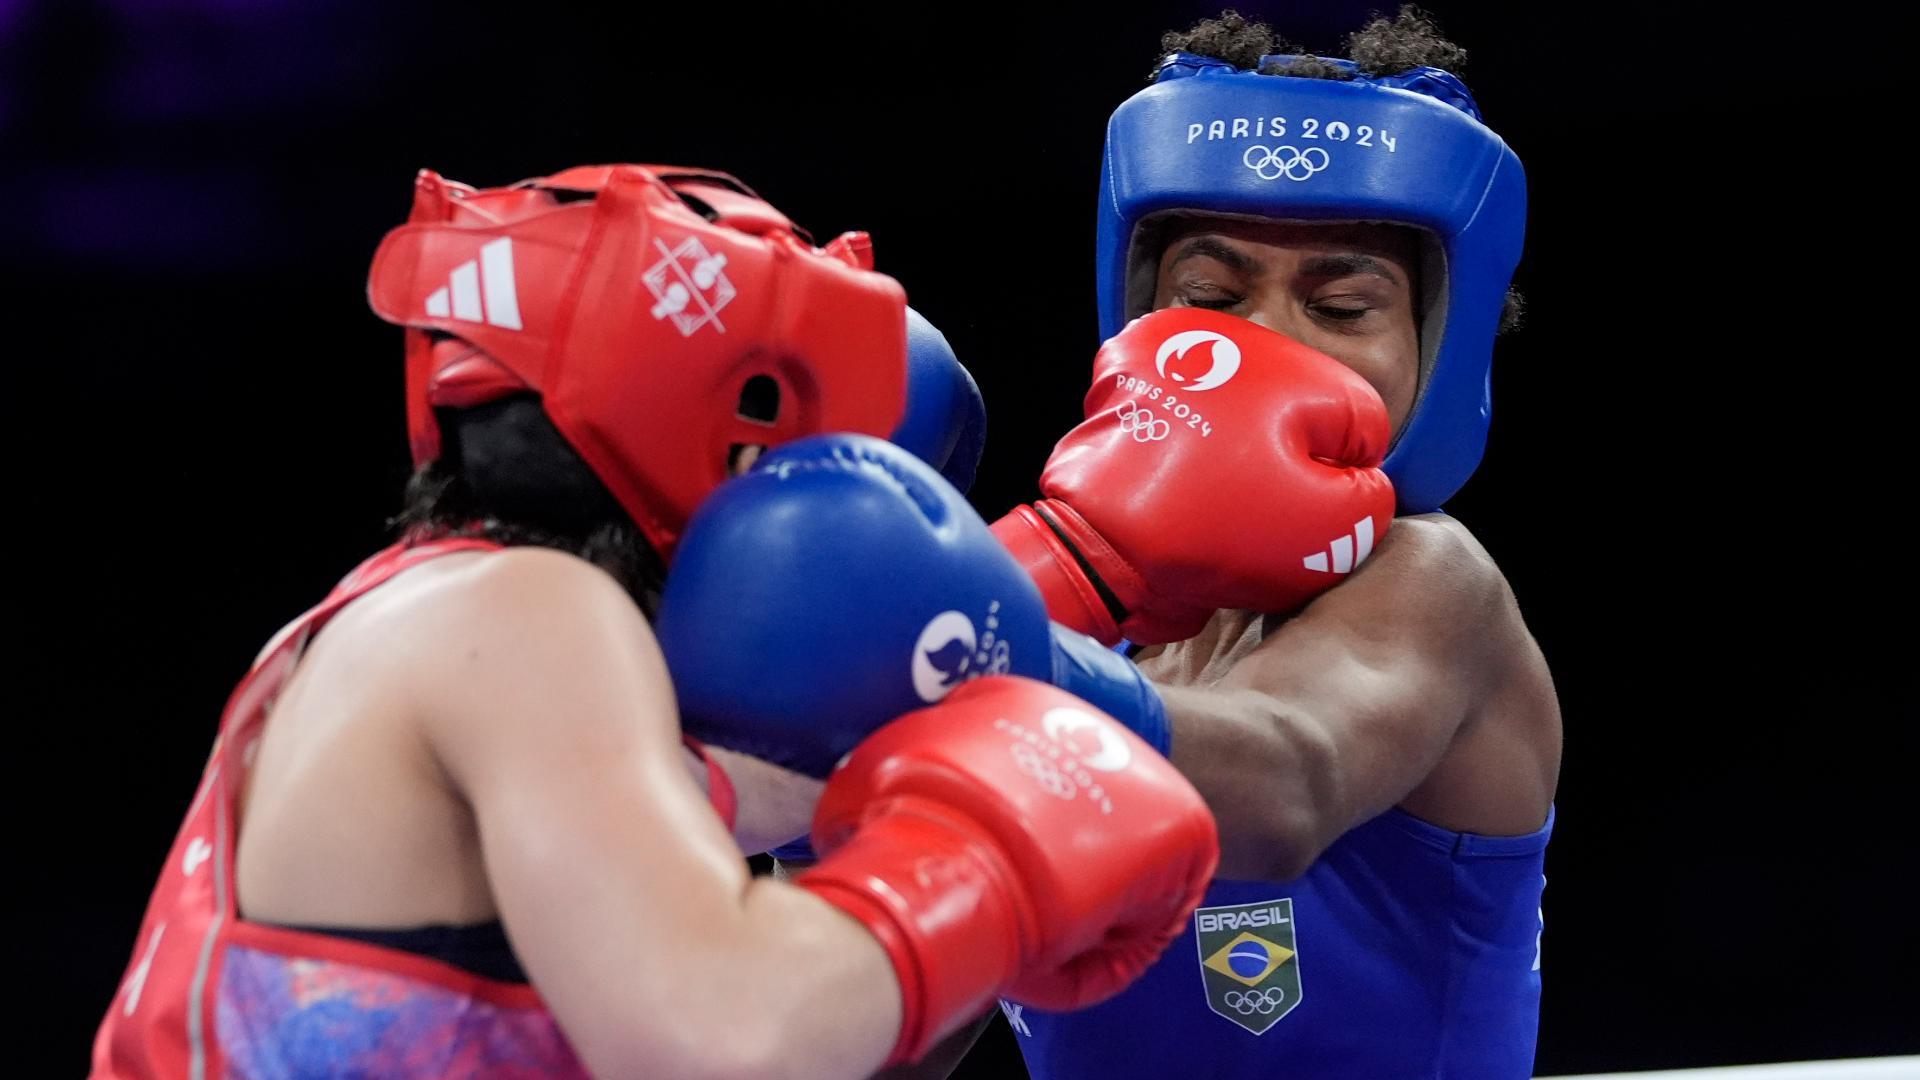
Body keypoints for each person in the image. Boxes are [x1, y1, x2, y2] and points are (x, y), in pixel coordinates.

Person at [86, 163, 1220, 1079]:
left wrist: (1045, 629)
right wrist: (986, 861)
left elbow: (771, 783)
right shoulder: (529, 614)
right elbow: (729, 1033)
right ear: (732, 438)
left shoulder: (437, 616)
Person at [974, 8, 1562, 1077]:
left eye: (1340, 306)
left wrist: (929, 651)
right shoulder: (1076, 636)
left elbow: (1286, 781)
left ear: (1441, 344)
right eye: (1211, 296)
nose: (1269, 346)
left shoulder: (1434, 583)